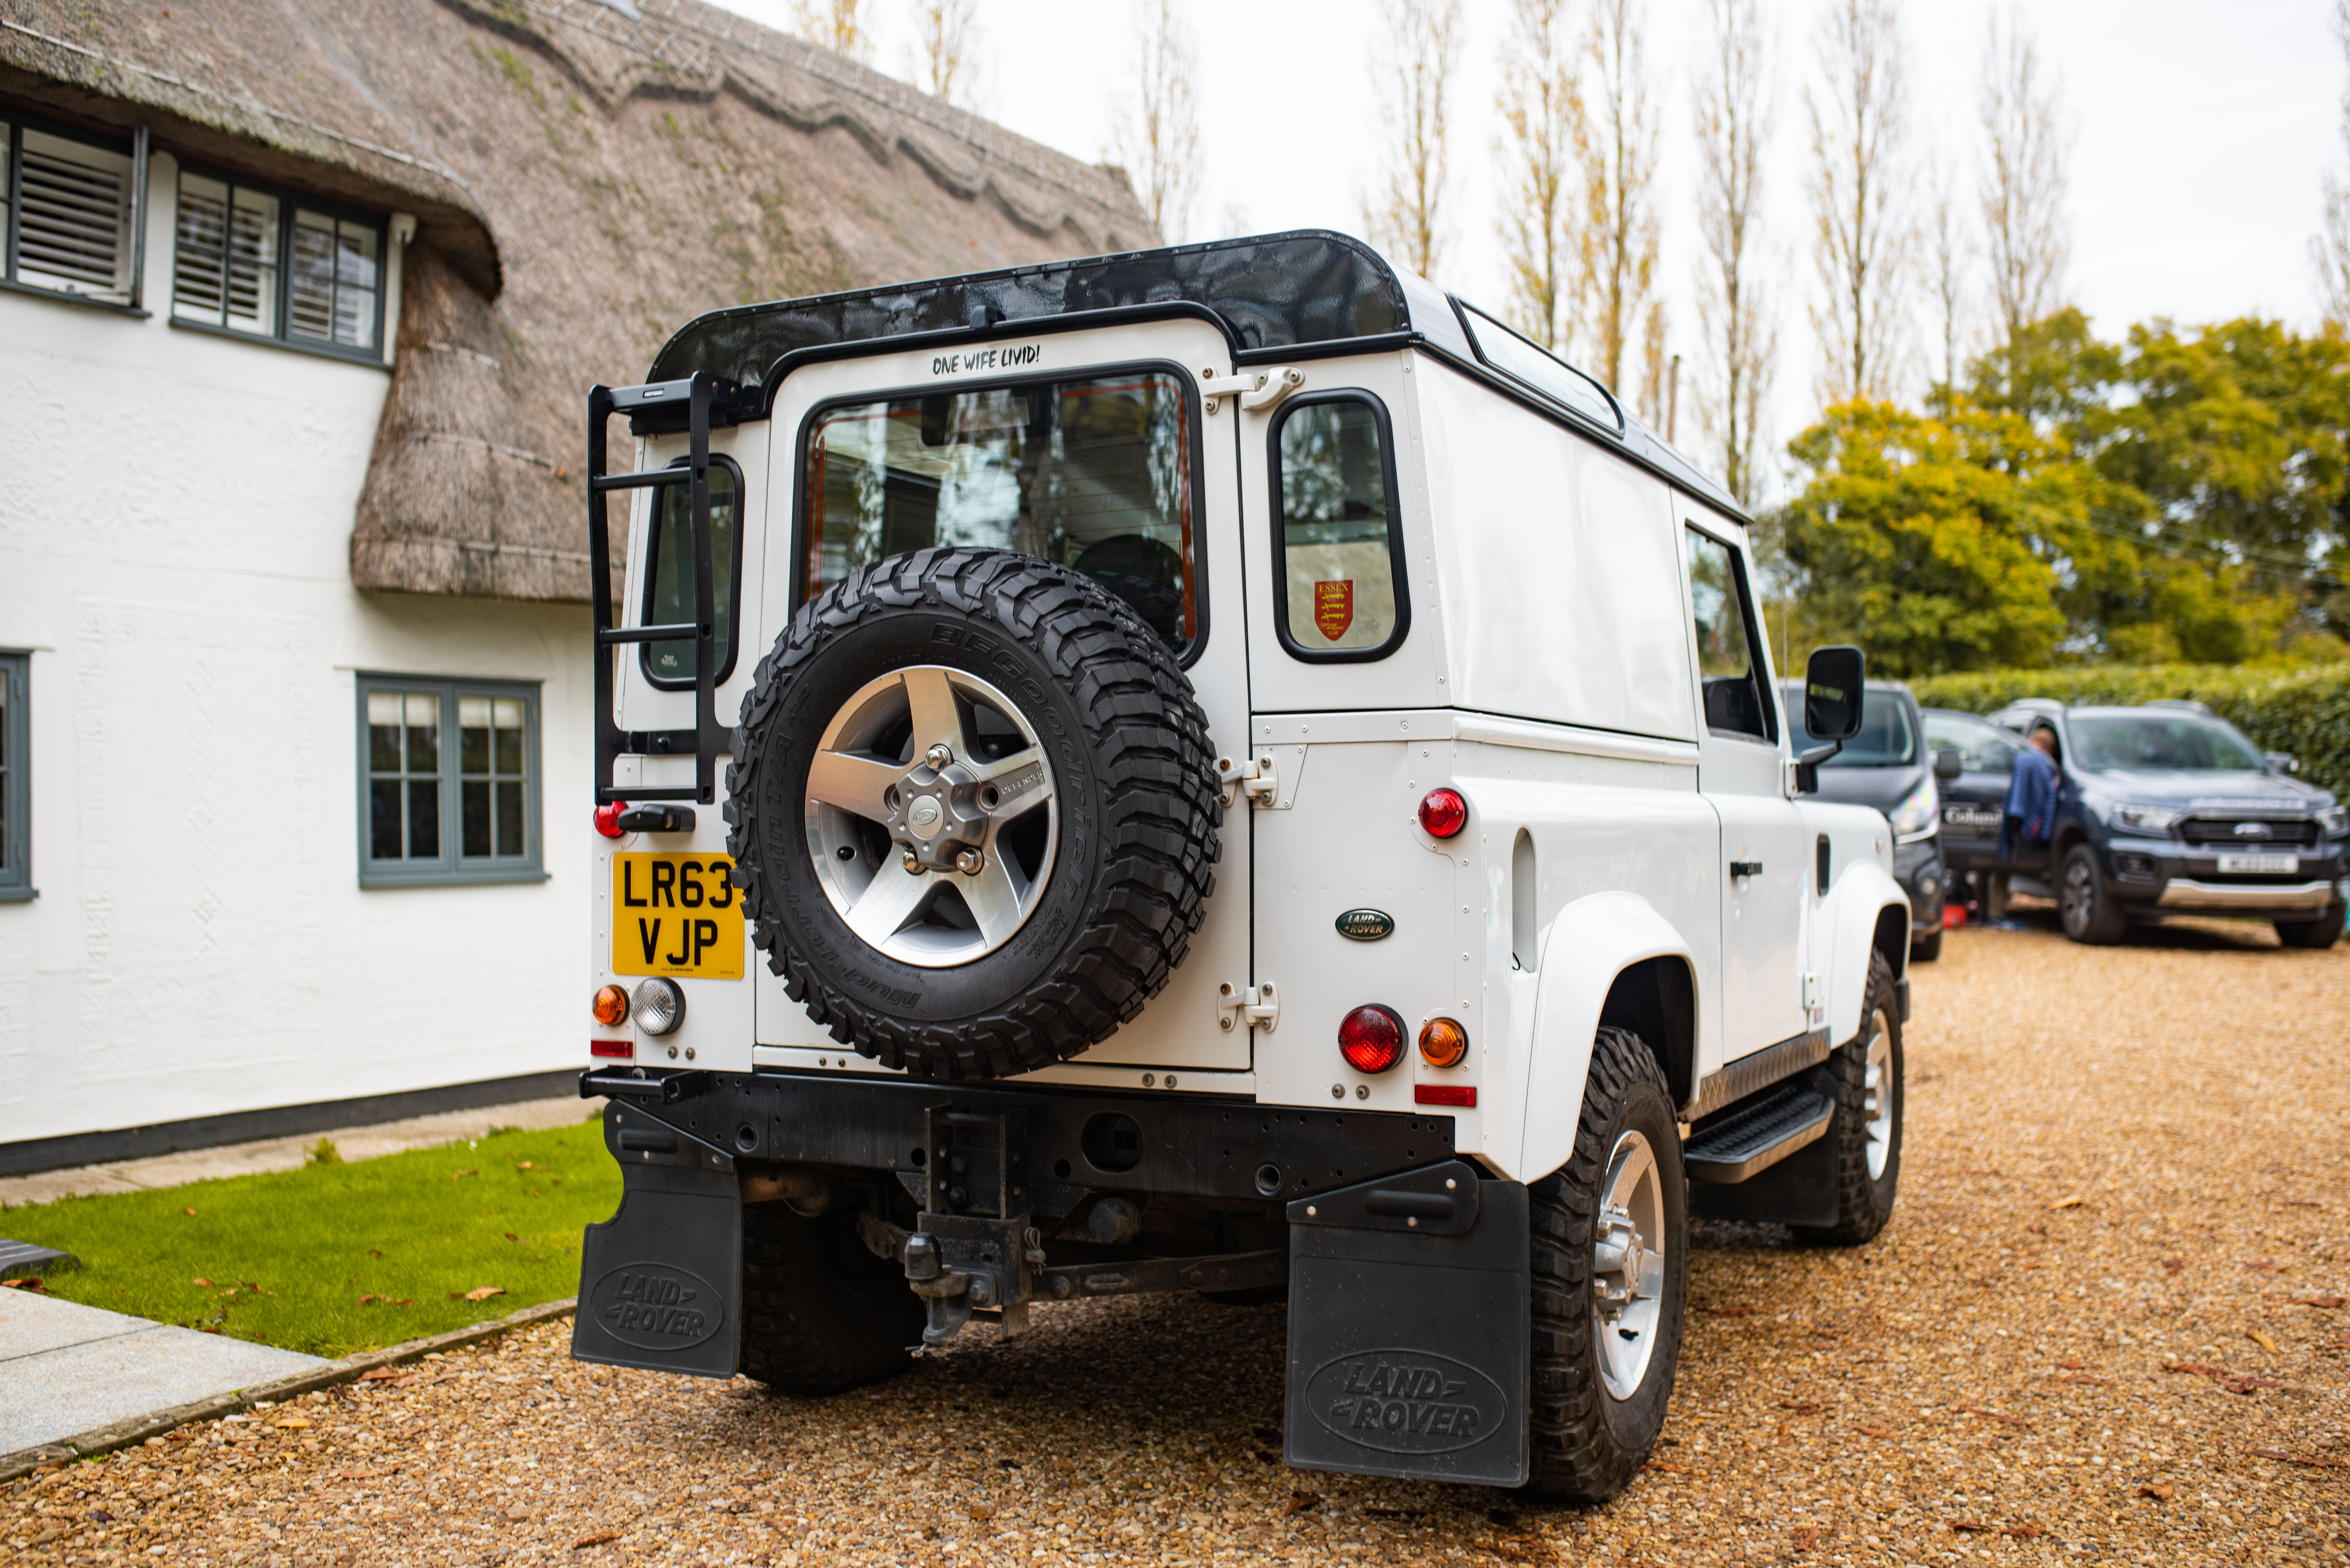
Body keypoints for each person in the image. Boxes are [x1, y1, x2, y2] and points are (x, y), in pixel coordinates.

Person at [1985, 724, 2063, 921]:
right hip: (2023, 824)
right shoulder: (2042, 765)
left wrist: (2016, 815)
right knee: (2001, 864)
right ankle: (1995, 913)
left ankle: (1986, 912)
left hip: (2010, 821)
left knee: (1987, 863)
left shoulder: (2024, 760)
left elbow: (2018, 793)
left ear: (2034, 742)